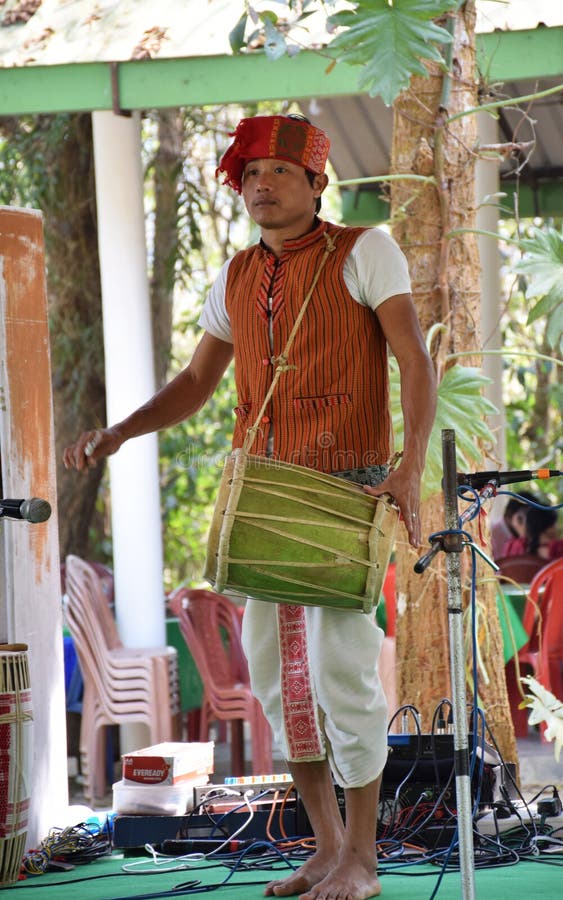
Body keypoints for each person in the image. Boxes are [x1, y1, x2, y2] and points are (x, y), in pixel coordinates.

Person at [63, 113, 437, 900]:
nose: (260, 185)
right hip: (262, 495)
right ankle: (326, 849)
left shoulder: (366, 250)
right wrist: (121, 432)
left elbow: (412, 358)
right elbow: (197, 384)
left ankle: (363, 858)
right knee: (276, 682)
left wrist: (408, 469)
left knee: (341, 676)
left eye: (278, 171)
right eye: (249, 174)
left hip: (344, 490)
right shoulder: (232, 275)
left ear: (313, 183)